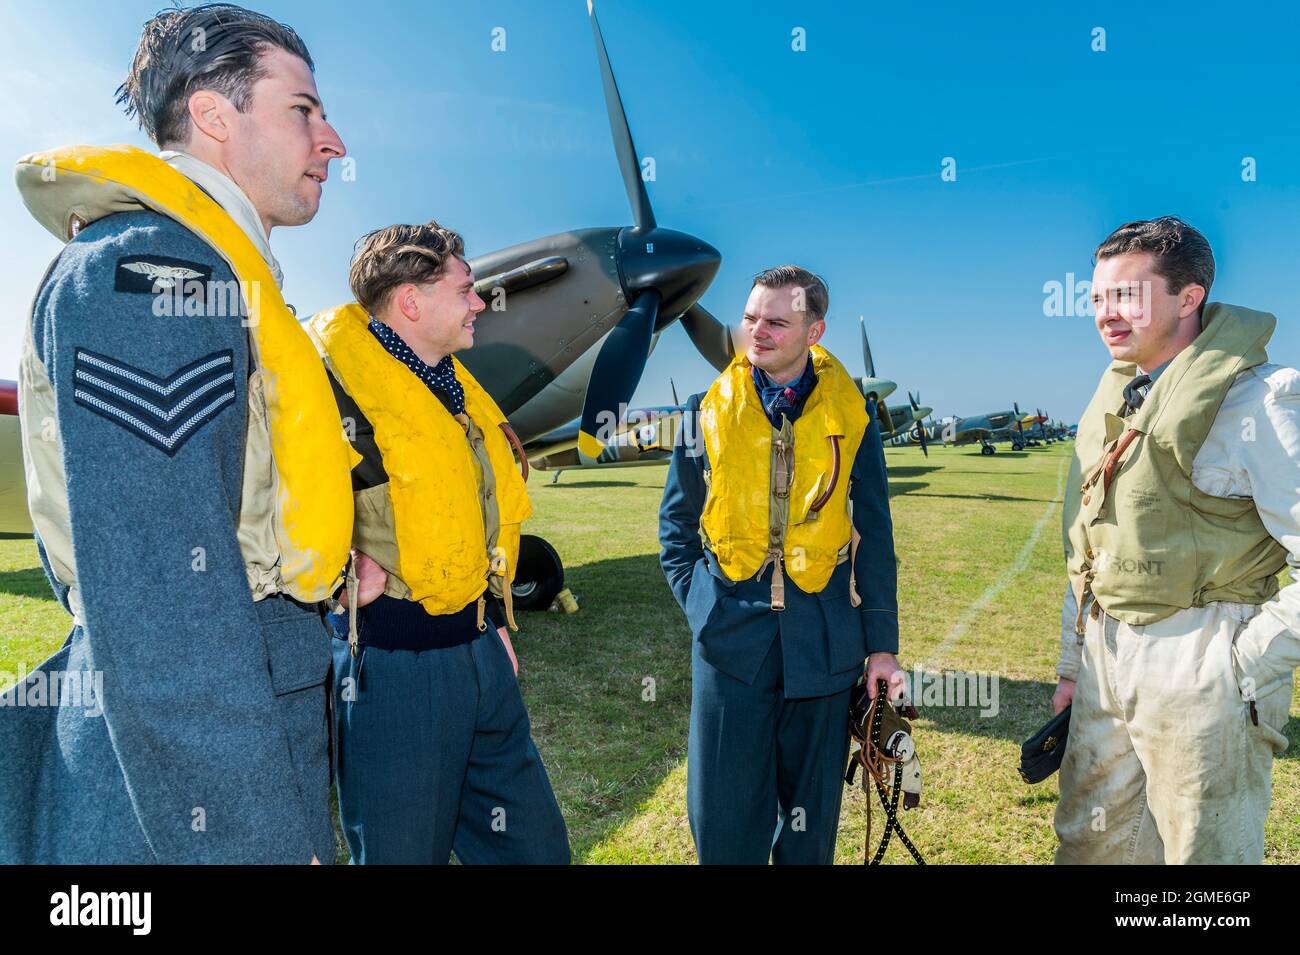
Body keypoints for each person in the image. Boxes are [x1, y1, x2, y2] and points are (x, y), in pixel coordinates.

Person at [0, 3, 353, 864]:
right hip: (189, 786)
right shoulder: (155, 273)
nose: (332, 140)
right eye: (303, 109)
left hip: (242, 705)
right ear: (213, 115)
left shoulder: (212, 273)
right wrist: (253, 842)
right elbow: (166, 600)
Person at [309, 221, 570, 864]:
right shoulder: (328, 388)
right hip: (394, 669)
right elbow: (256, 497)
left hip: (481, 649)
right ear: (411, 301)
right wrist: (325, 569)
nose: (480, 302)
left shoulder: (458, 389)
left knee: (535, 853)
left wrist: (491, 621)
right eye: (465, 288)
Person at [1053, 216, 1300, 864]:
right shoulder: (1119, 398)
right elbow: (1089, 548)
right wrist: (1072, 666)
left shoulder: (1259, 401)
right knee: (1089, 843)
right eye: (1098, 297)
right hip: (1106, 653)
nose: (1106, 314)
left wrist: (1244, 667)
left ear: (1189, 297)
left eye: (1126, 296)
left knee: (1199, 859)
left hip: (1202, 650)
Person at [658, 265, 905, 864]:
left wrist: (881, 647)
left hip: (822, 643)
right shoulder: (703, 412)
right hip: (729, 644)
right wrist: (704, 608)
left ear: (814, 330)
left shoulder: (855, 417)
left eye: (775, 321)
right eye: (749, 318)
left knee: (809, 822)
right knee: (723, 820)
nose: (756, 332)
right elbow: (677, 529)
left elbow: (873, 535)